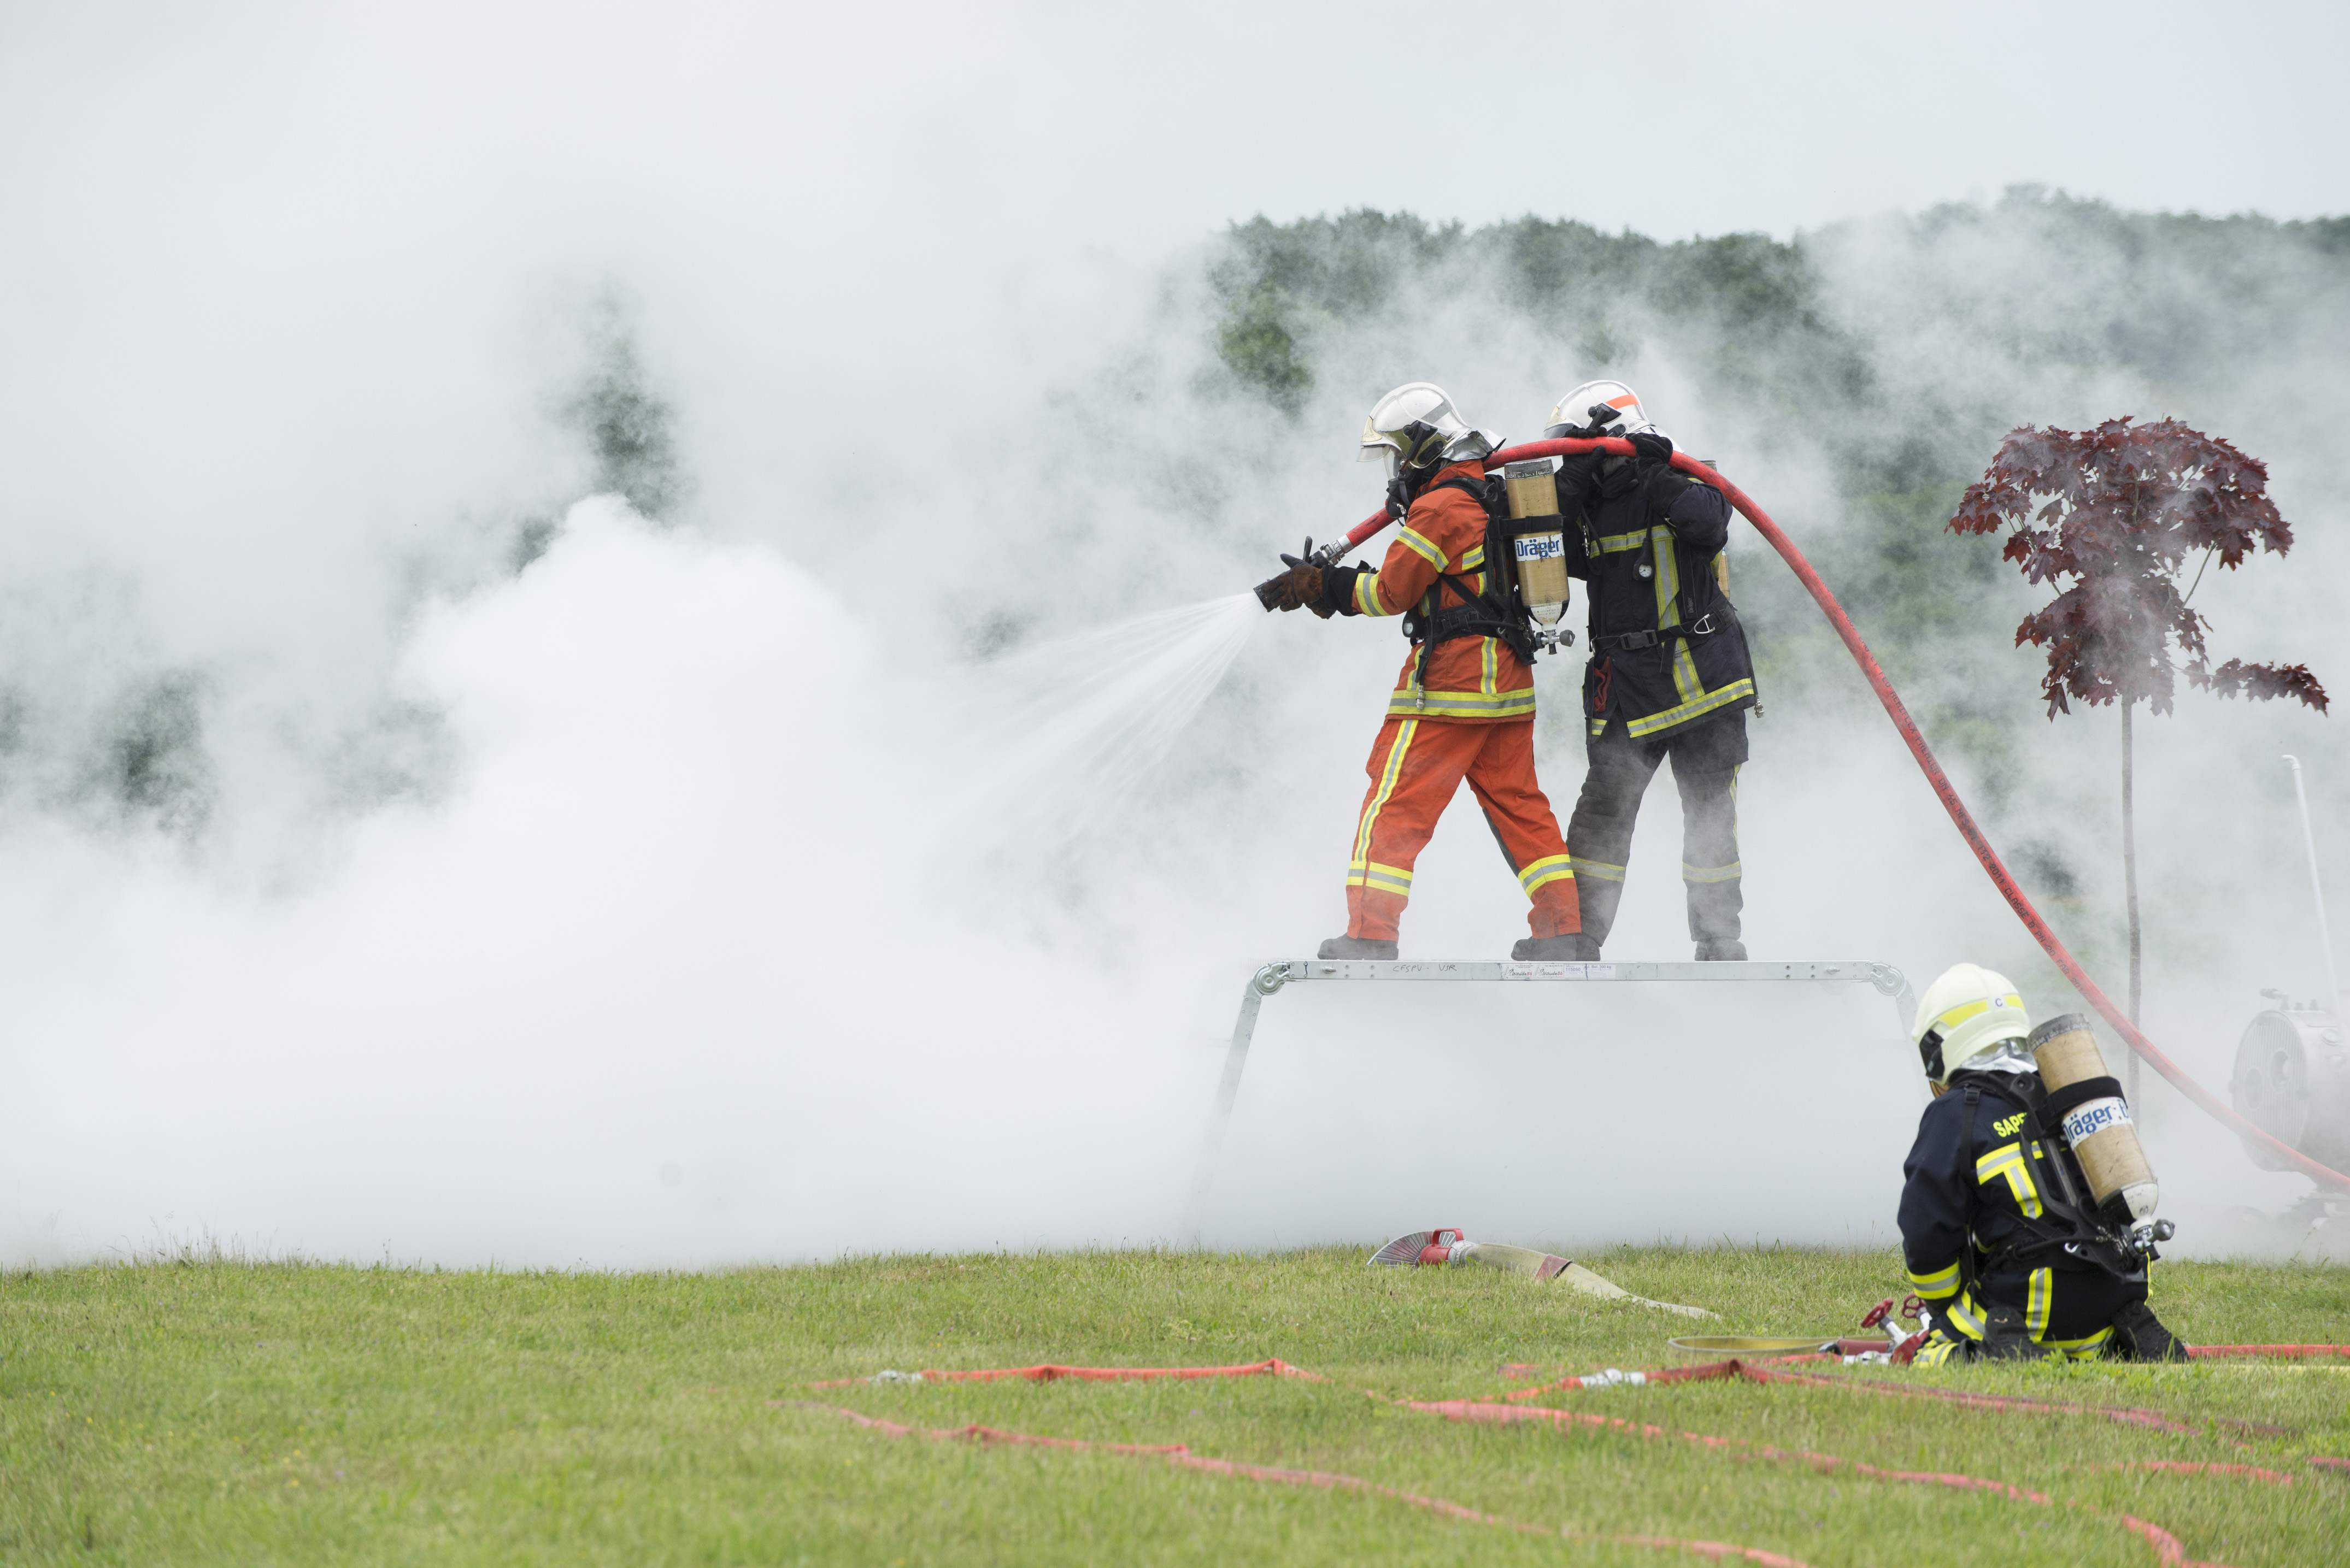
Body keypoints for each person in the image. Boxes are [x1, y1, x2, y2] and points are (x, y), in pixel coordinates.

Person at [1266, 382, 1580, 961]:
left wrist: (1329, 586)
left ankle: (1369, 934)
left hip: (1450, 686)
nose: (1397, 467)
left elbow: (1391, 590)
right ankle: (1562, 930)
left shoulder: (1441, 506)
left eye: (1399, 453)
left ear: (1422, 447)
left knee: (1394, 803)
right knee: (1522, 808)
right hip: (1507, 683)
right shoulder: (1489, 493)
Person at [1547, 381, 1755, 962]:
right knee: (1602, 809)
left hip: (1700, 678)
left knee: (1710, 808)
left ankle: (1719, 939)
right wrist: (1570, 486)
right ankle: (1579, 936)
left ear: (1608, 434)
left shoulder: (1683, 475)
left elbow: (1708, 525)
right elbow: (1542, 555)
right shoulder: (1590, 500)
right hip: (1628, 685)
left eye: (1576, 447)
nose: (1571, 457)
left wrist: (1657, 472)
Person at [1899, 962, 2187, 1363]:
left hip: (2029, 1311)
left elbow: (1927, 1232)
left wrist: (1943, 1305)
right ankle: (2120, 1337)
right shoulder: (2067, 1094)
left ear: (1938, 1047)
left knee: (1926, 1357)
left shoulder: (1955, 1112)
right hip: (2115, 1299)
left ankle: (2006, 1353)